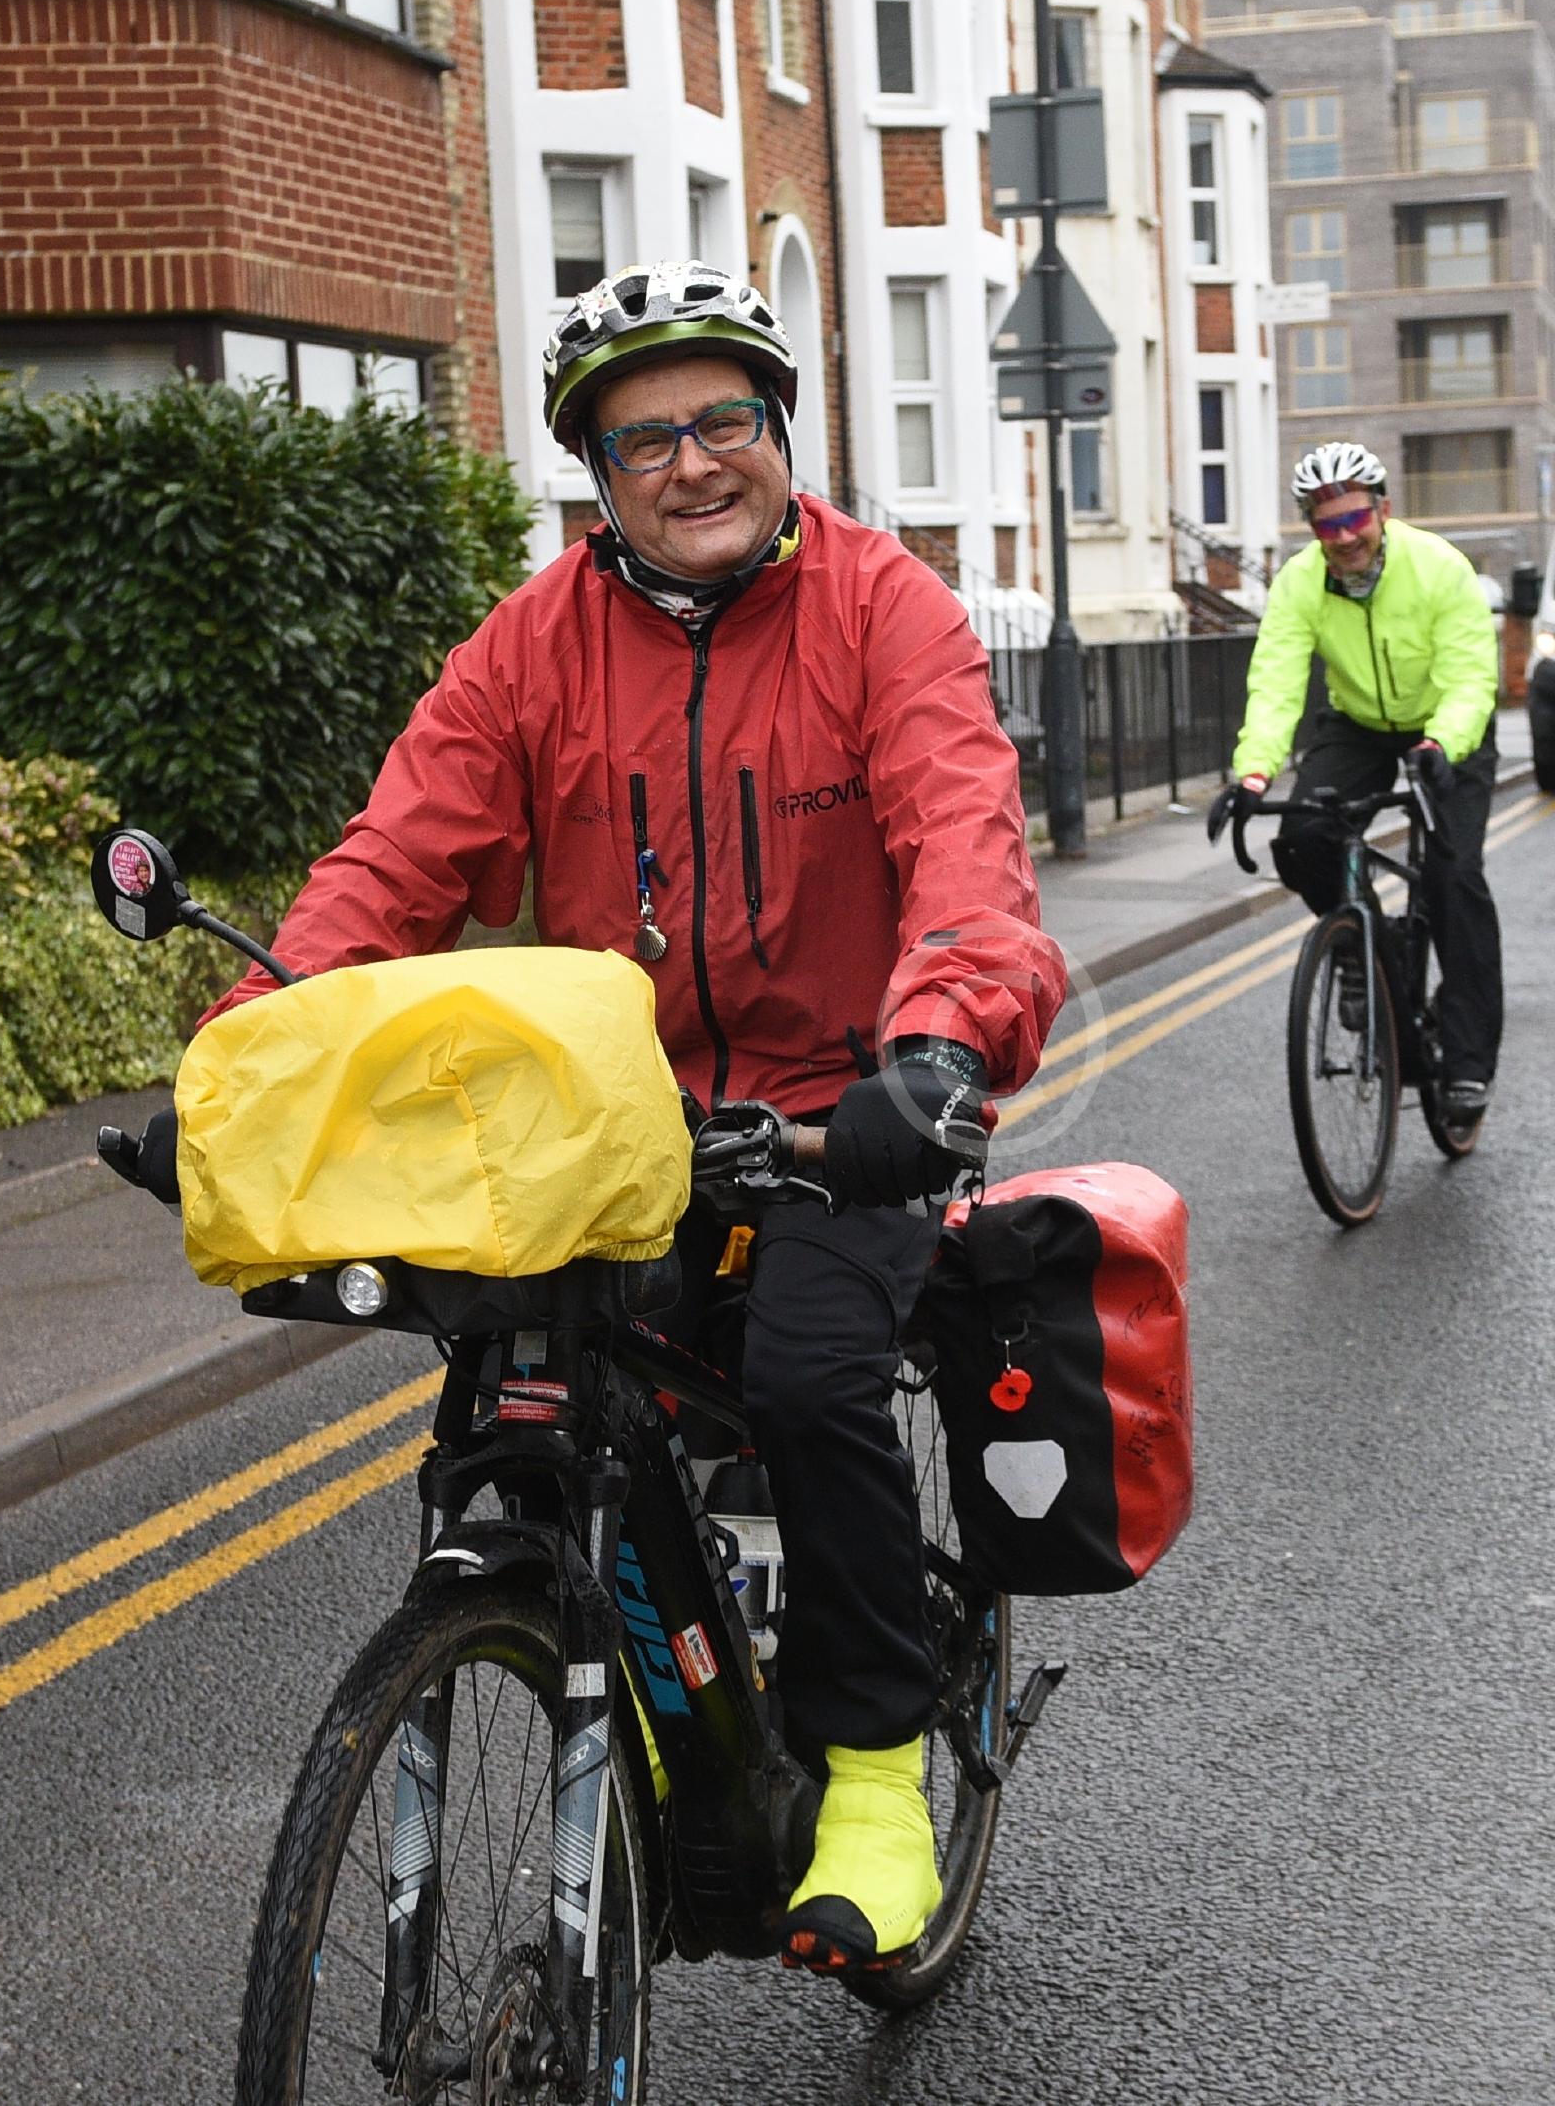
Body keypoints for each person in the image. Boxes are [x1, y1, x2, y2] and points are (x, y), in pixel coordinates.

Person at [203, 262, 1066, 1974]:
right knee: (515, 1401)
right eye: (642, 435)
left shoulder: (884, 610)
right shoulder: (532, 646)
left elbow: (965, 846)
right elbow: (396, 862)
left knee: (818, 1380)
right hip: (612, 1123)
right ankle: (550, 1630)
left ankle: (881, 1776)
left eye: (724, 419)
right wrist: (243, 1049)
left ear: (777, 431)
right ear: (594, 476)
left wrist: (939, 1050)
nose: (692, 462)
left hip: (841, 1110)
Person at [1207, 442, 1505, 1124]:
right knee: (1304, 836)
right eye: (1326, 525)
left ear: (1383, 511)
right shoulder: (1301, 582)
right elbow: (1277, 682)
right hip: (1358, 722)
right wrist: (1253, 772)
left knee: (1454, 878)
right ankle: (1366, 939)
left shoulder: (1438, 569)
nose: (1343, 538)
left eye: (1354, 520)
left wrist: (1442, 743)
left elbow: (1469, 677)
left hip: (1447, 725)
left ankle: (1466, 1062)